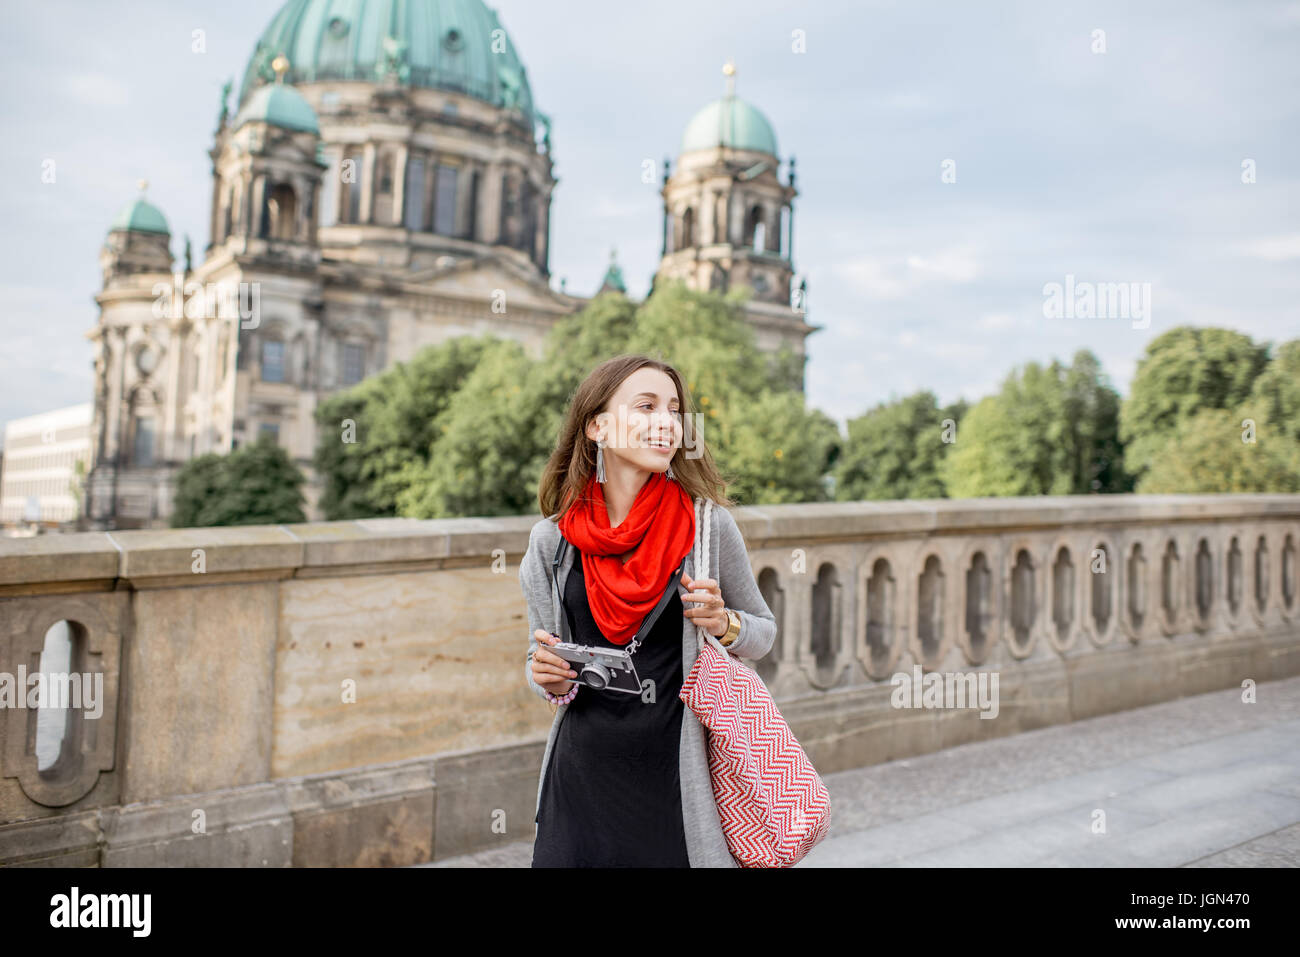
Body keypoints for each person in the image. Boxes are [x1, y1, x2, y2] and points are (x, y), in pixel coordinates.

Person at [518, 353, 778, 867]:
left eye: (674, 410)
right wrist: (542, 674)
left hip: (675, 779)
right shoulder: (552, 541)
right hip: (581, 777)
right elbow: (542, 658)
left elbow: (763, 633)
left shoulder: (708, 528)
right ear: (596, 426)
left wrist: (724, 624)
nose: (666, 423)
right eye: (646, 407)